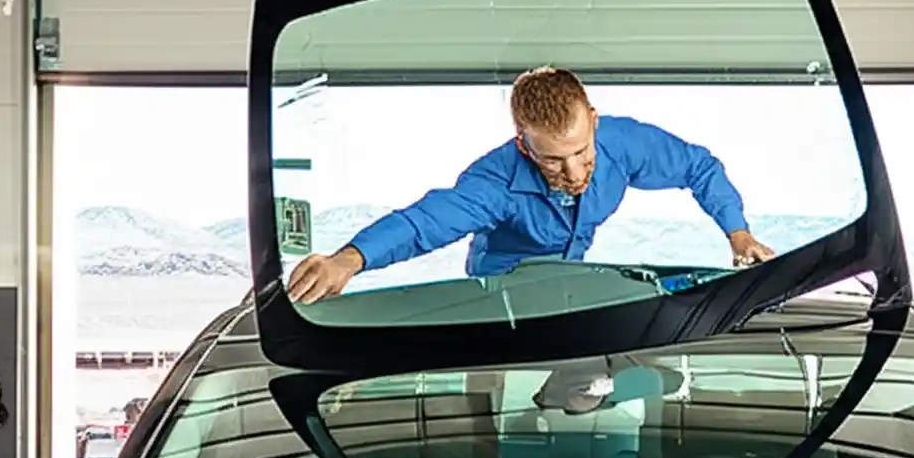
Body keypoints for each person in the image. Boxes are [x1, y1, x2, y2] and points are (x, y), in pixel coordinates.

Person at [288, 66, 775, 304]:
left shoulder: (623, 142)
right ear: (524, 146)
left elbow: (699, 167)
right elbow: (422, 224)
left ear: (593, 120)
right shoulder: (494, 183)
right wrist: (347, 260)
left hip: (569, 285)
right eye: (555, 161)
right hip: (498, 291)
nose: (575, 173)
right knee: (488, 390)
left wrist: (738, 233)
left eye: (583, 153)